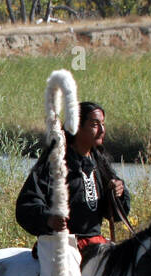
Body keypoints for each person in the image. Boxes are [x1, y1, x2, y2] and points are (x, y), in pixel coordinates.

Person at [16, 101, 130, 253]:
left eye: (102, 124)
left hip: (94, 243)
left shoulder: (99, 162)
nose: (102, 130)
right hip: (59, 245)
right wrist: (49, 219)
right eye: (95, 124)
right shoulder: (55, 163)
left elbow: (115, 215)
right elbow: (26, 205)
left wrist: (118, 194)